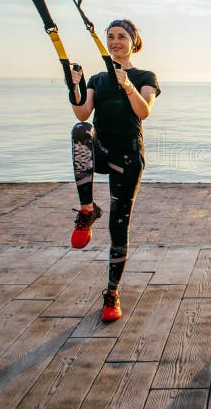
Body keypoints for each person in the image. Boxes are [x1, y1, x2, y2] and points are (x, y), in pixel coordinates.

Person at [69, 19, 159, 322]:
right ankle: (86, 209)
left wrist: (127, 84)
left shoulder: (146, 76)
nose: (115, 41)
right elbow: (83, 111)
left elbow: (144, 111)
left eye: (122, 37)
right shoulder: (97, 78)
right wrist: (76, 86)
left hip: (129, 157)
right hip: (102, 150)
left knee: (118, 228)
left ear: (134, 41)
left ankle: (112, 292)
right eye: (111, 37)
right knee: (81, 129)